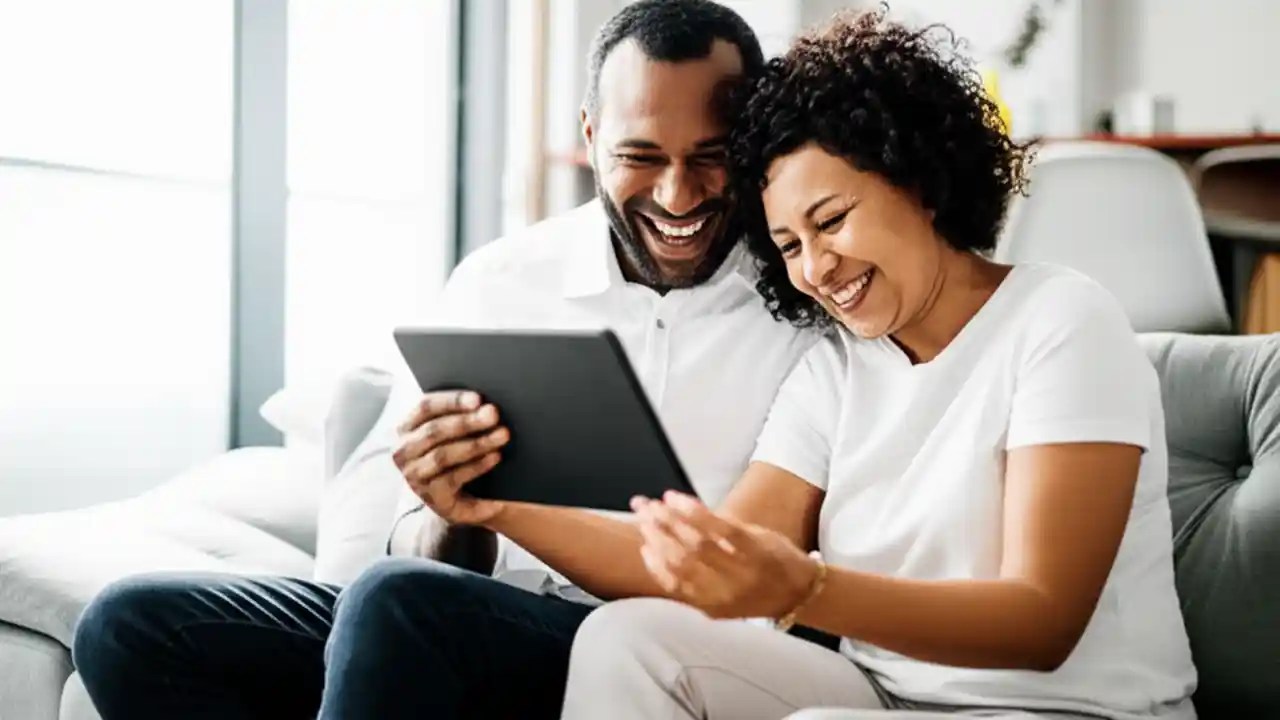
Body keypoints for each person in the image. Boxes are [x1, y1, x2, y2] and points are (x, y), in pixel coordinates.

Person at [393, 9, 1197, 720]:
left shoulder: (1061, 320)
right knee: (626, 640)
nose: (815, 268)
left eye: (832, 220)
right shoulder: (837, 371)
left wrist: (805, 590)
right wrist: (495, 508)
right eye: (787, 245)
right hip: (887, 699)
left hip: (1074, 711)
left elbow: (1042, 622)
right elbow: (690, 562)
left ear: (918, 180)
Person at [69, 3, 814, 719]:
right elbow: (431, 556)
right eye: (639, 157)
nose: (678, 193)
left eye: (711, 158)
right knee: (129, 626)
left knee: (397, 603)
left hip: (632, 649)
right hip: (446, 621)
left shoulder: (802, 304)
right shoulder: (503, 279)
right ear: (590, 138)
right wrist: (443, 505)